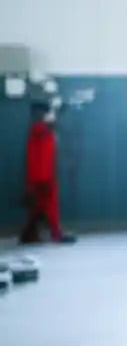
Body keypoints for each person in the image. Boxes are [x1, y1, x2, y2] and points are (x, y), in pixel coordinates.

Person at [21, 101, 76, 245]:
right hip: (42, 176)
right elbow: (50, 126)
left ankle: (34, 235)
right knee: (46, 207)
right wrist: (58, 111)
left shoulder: (41, 130)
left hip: (43, 174)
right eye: (46, 113)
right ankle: (52, 233)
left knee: (39, 208)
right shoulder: (39, 129)